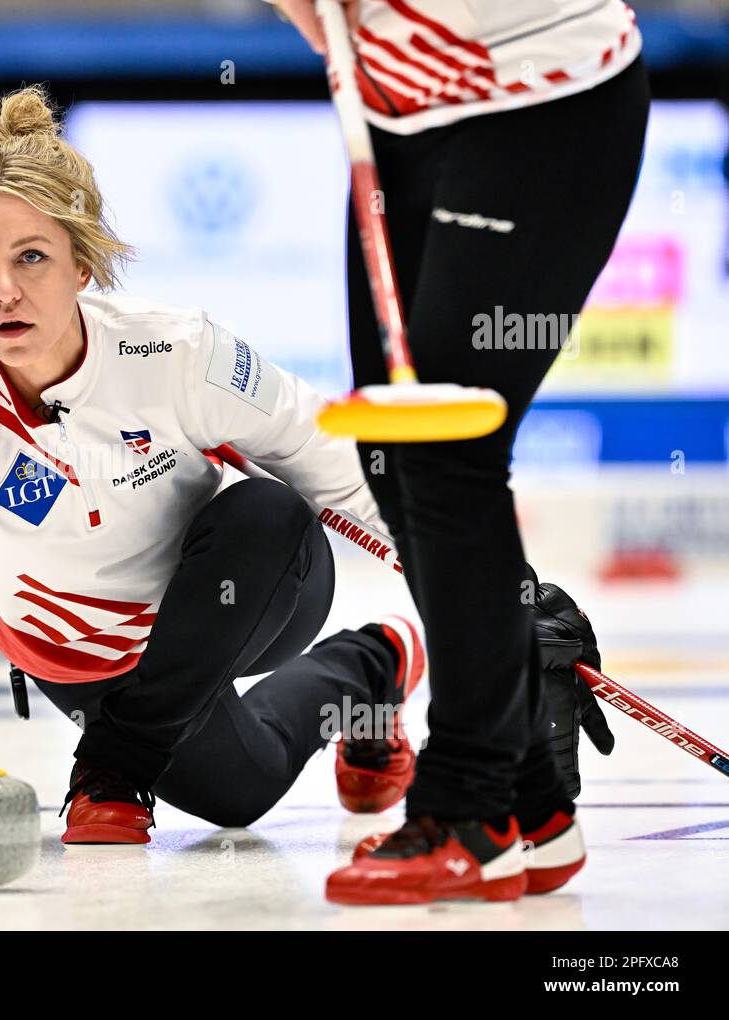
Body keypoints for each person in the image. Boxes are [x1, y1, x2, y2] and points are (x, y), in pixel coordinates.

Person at [0, 84, 433, 846]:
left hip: (248, 600)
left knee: (269, 508)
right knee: (240, 794)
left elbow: (326, 458)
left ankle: (111, 769)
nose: (3, 291)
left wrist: (491, 599)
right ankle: (377, 664)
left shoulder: (176, 350)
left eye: (32, 257)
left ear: (83, 264)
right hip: (85, 658)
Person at [267, 0, 642, 903]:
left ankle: (470, 807)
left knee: (448, 449)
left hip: (537, 100)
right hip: (394, 109)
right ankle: (531, 800)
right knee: (398, 455)